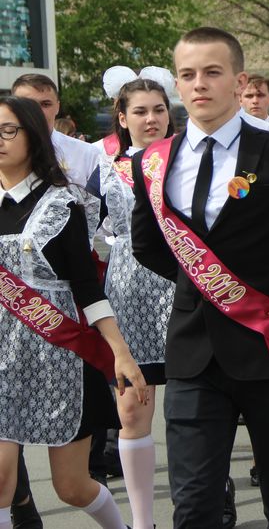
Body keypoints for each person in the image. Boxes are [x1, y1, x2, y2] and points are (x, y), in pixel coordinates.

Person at [130, 26, 269, 528]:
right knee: (196, 502)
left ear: (237, 80)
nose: (199, 84)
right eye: (187, 75)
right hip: (193, 349)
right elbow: (148, 247)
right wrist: (204, 288)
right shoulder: (152, 163)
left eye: (212, 72)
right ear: (177, 86)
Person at [0, 96, 146, 529]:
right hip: (0, 359)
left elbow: (86, 287)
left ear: (34, 136)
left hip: (56, 356)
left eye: (9, 130)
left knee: (71, 486)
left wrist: (118, 350)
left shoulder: (65, 202)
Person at [86, 74, 176, 529]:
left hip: (190, 291)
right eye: (139, 111)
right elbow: (78, 236)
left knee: (200, 407)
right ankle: (143, 522)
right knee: (131, 410)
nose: (151, 119)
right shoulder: (103, 170)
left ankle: (211, 502)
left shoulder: (189, 161)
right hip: (128, 295)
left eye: (158, 109)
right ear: (122, 119)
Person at [12, 74, 103, 188]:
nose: (38, 112)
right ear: (13, 109)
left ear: (57, 107)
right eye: (28, 105)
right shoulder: (4, 156)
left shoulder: (87, 154)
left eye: (46, 104)